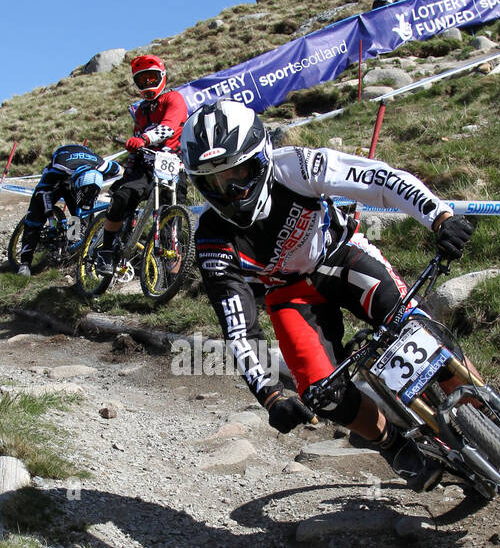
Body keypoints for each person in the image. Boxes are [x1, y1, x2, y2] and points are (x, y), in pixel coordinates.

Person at [181, 100, 474, 491]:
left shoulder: (295, 166)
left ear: (263, 155)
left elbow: (379, 181)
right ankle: (390, 442)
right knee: (322, 392)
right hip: (290, 293)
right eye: (213, 183)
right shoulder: (212, 238)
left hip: (341, 257)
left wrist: (439, 217)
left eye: (238, 173)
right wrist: (269, 395)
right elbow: (238, 328)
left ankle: (486, 412)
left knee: (422, 334)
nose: (229, 192)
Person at [96, 54, 189, 272]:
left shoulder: (174, 98)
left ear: (162, 77)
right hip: (145, 168)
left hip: (172, 167)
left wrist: (144, 139)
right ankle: (106, 251)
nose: (147, 83)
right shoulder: (140, 110)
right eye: (142, 80)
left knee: (171, 224)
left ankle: (172, 281)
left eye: (152, 78)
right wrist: (129, 168)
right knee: (121, 199)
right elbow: (136, 146)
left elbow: (169, 127)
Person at [17, 143, 121, 274]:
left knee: (83, 216)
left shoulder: (103, 166)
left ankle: (72, 247)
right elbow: (43, 192)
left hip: (84, 174)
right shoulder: (56, 171)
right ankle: (25, 262)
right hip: (60, 176)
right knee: (36, 214)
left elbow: (119, 169)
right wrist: (49, 215)